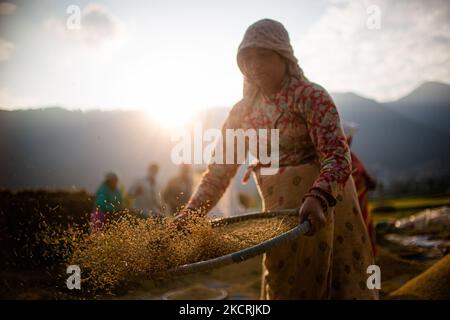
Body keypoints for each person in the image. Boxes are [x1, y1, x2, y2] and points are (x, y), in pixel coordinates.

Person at [175, 19, 377, 300]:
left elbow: (337, 156)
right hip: (279, 216)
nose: (254, 64)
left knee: (340, 284)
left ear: (284, 57)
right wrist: (189, 216)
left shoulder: (311, 97)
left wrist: (319, 195)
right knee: (285, 285)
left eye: (264, 55)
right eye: (247, 58)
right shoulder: (241, 114)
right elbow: (218, 173)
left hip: (328, 209)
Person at [343, 121, 378, 256]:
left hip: (357, 207)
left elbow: (365, 177)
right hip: (351, 209)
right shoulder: (345, 158)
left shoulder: (350, 156)